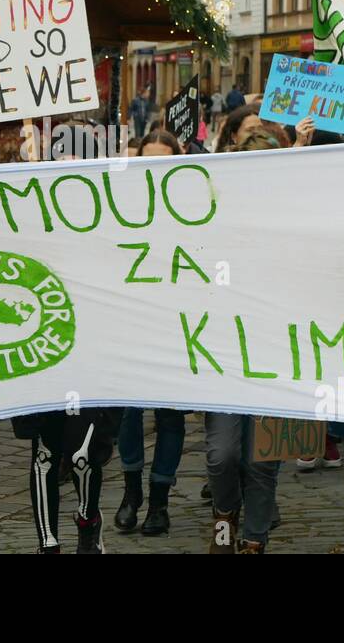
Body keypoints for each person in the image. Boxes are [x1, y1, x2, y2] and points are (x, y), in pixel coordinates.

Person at [14, 124, 122, 553]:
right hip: (43, 356)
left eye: (80, 159)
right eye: (62, 158)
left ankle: (87, 521)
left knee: (81, 457)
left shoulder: (114, 220)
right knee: (43, 457)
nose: (70, 166)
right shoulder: (30, 218)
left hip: (94, 359)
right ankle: (48, 544)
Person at [204, 127, 286, 553]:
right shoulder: (213, 226)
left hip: (276, 356)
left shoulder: (293, 230)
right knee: (222, 456)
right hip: (223, 358)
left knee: (262, 459)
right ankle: (224, 521)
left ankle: (254, 540)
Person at [113, 129, 188, 536]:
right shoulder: (121, 205)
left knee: (170, 417)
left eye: (164, 160)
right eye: (147, 160)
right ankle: (131, 493)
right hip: (130, 325)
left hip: (175, 326)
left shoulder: (194, 205)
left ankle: (159, 501)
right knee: (128, 413)